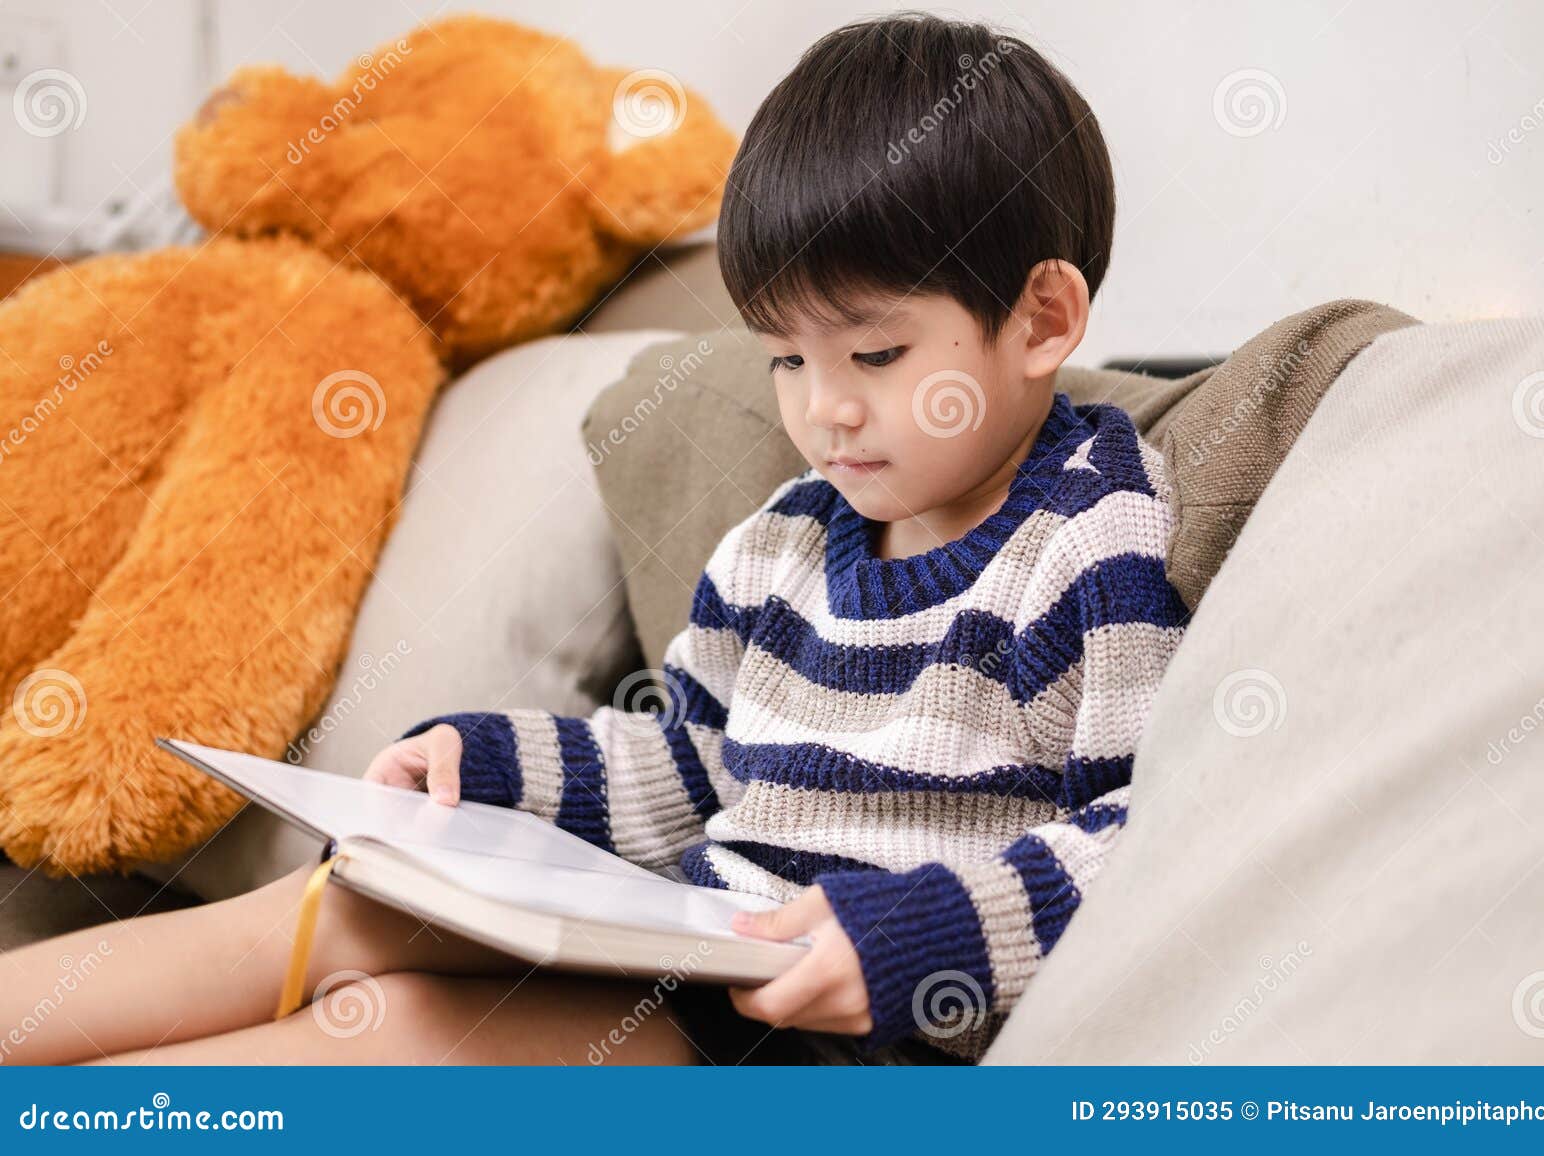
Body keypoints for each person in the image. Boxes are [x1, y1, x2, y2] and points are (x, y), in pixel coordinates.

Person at [0, 10, 1185, 1066]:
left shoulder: (1087, 530)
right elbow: (690, 769)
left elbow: (1153, 830)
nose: (823, 408)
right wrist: (492, 762)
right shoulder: (784, 544)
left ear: (1040, 319)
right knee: (350, 903)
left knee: (406, 1032)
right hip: (697, 952)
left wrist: (911, 936)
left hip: (835, 1036)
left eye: (874, 355)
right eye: (786, 358)